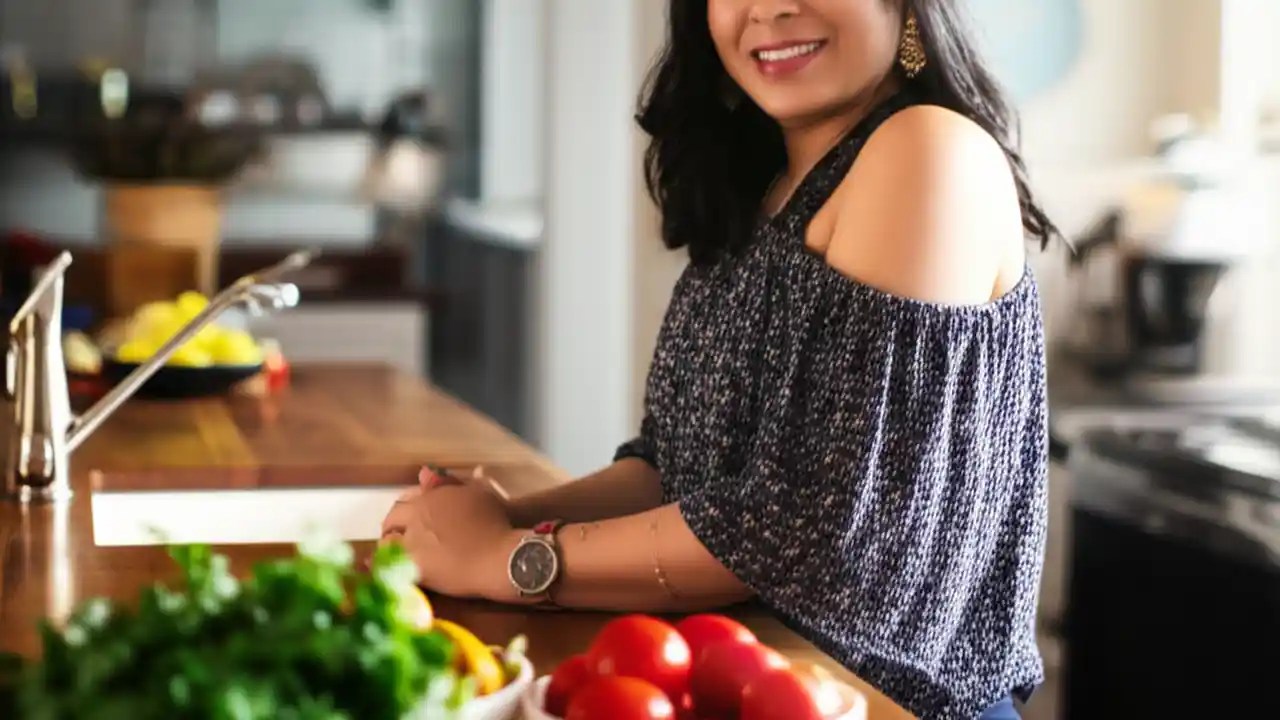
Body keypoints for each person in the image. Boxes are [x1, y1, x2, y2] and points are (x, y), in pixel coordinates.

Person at [380, 1, 1055, 717]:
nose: (769, 7)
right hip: (747, 684)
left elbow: (807, 537)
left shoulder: (926, 150)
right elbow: (671, 471)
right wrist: (501, 518)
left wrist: (508, 561)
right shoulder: (765, 185)